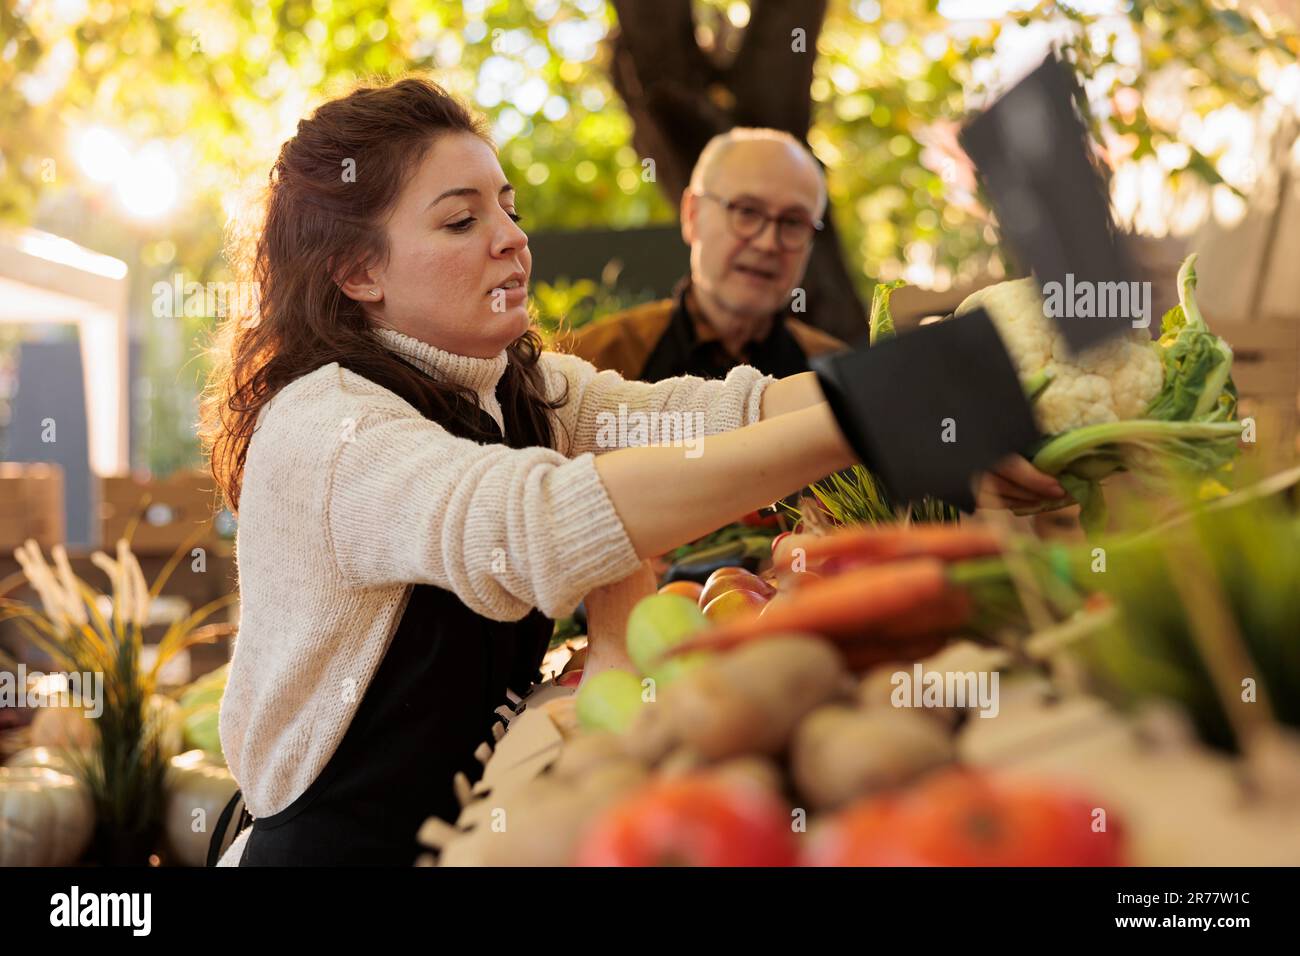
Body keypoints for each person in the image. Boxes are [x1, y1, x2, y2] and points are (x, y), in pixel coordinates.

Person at [200, 77, 1066, 866]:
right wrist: (869, 419)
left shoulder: (523, 387)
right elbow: (530, 526)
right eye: (462, 221)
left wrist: (931, 386)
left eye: (508, 208)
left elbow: (716, 413)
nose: (510, 239)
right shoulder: (326, 429)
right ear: (358, 271)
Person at [559, 128, 846, 381]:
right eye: (746, 211)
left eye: (793, 222)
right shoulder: (592, 362)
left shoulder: (838, 376)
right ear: (692, 215)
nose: (768, 243)